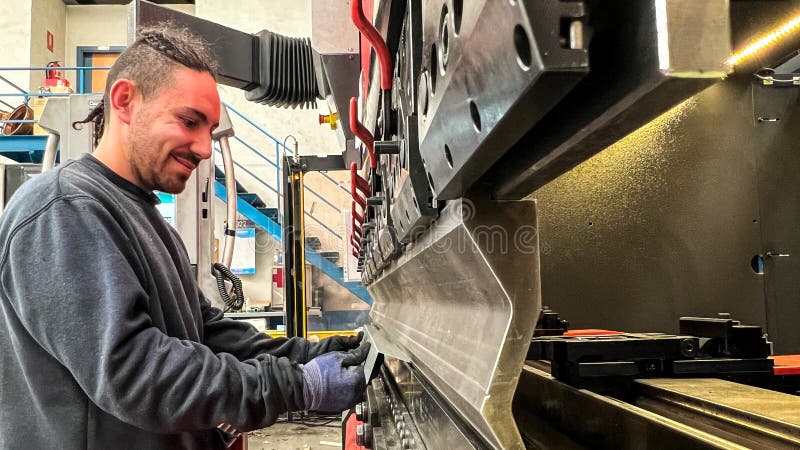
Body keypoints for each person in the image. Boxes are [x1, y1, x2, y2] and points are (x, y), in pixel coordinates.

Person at [0, 26, 368, 449]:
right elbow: (134, 374)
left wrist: (321, 354)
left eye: (209, 129)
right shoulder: (64, 209)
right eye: (189, 121)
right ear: (124, 101)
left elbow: (208, 334)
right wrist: (296, 387)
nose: (204, 147)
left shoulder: (149, 220)